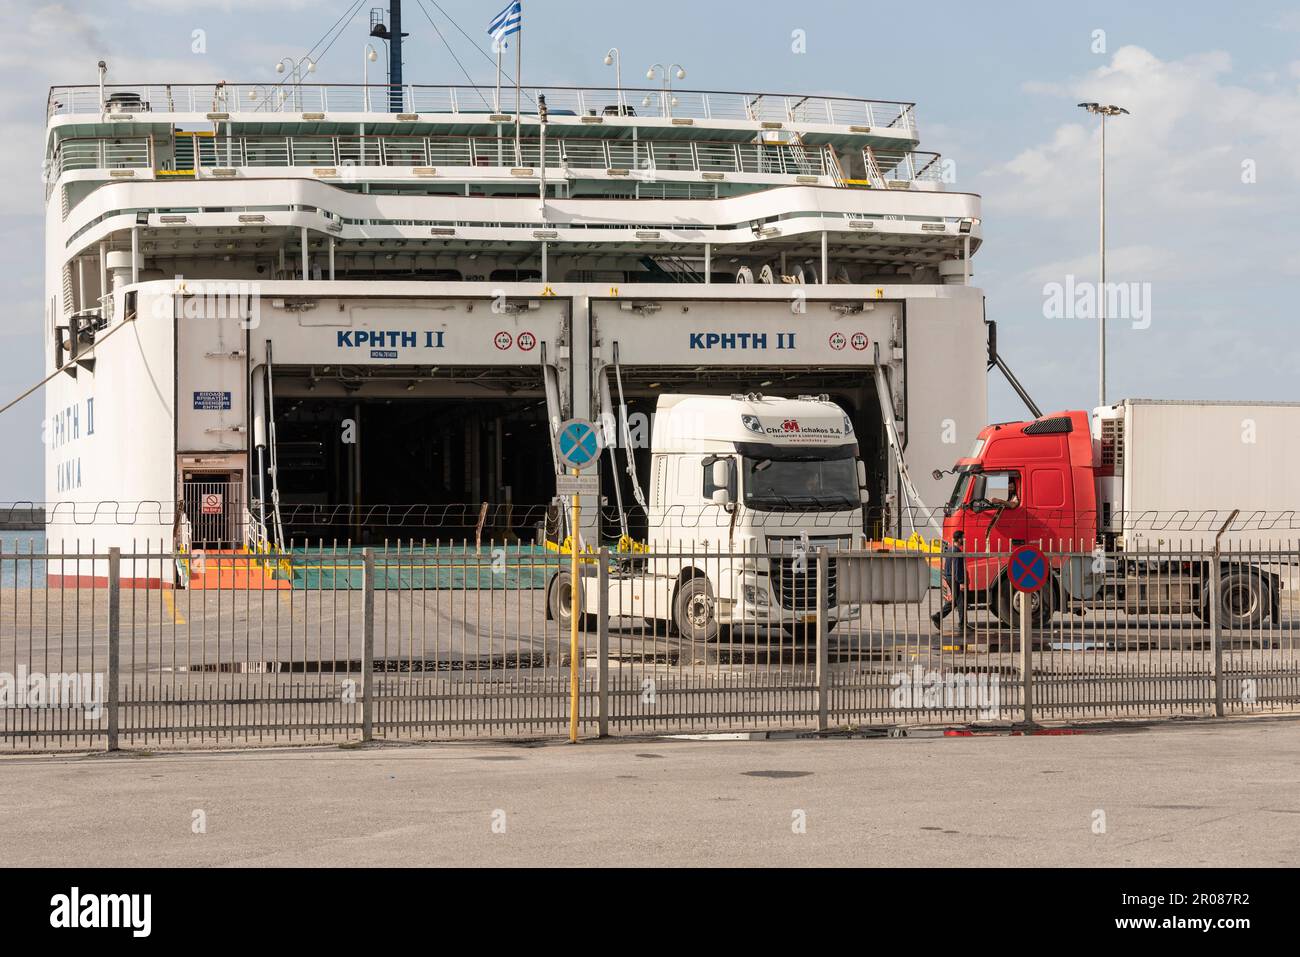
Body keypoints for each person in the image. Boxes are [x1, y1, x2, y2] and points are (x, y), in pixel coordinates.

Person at [931, 530, 967, 633]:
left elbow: (947, 566)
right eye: (963, 538)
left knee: (956, 601)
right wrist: (961, 582)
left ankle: (938, 617)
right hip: (954, 578)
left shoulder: (950, 549)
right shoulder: (956, 551)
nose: (964, 540)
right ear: (959, 539)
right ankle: (962, 624)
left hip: (949, 577)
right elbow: (957, 568)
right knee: (960, 601)